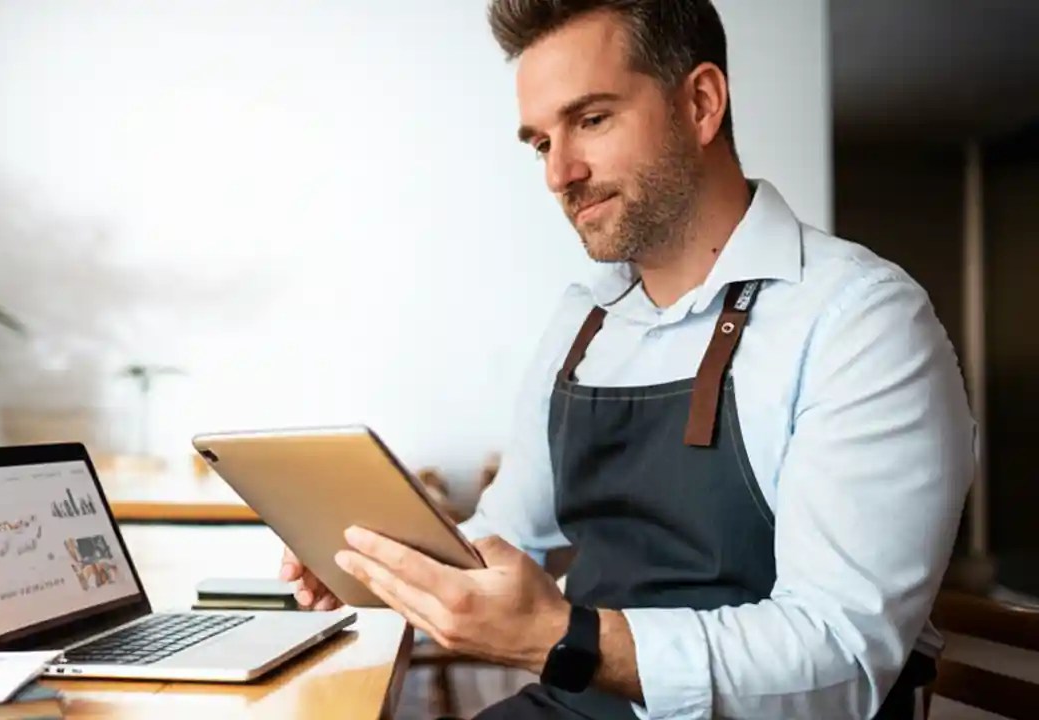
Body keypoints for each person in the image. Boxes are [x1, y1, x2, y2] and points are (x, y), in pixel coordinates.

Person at [281, 1, 975, 717]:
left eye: (591, 120)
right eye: (539, 142)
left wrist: (564, 636)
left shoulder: (859, 321)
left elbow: (842, 661)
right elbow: (506, 535)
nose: (560, 173)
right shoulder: (584, 322)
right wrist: (387, 567)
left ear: (700, 104)